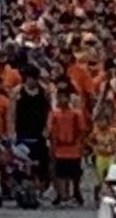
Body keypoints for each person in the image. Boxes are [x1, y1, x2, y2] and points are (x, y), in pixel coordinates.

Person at [7, 65, 50, 193]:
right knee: (20, 161)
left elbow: (49, 111)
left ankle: (38, 186)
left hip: (38, 132)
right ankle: (18, 184)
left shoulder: (44, 92)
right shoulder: (17, 92)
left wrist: (47, 129)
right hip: (22, 131)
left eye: (36, 79)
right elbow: (11, 114)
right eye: (32, 78)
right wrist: (11, 132)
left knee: (40, 161)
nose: (34, 81)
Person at [48, 86, 87, 207]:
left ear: (69, 98)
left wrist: (82, 145)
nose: (61, 99)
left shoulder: (76, 113)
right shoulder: (54, 113)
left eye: (64, 97)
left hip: (74, 147)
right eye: (59, 97)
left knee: (75, 173)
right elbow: (49, 129)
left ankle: (76, 191)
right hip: (59, 147)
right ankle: (61, 194)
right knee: (60, 172)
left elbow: (82, 130)